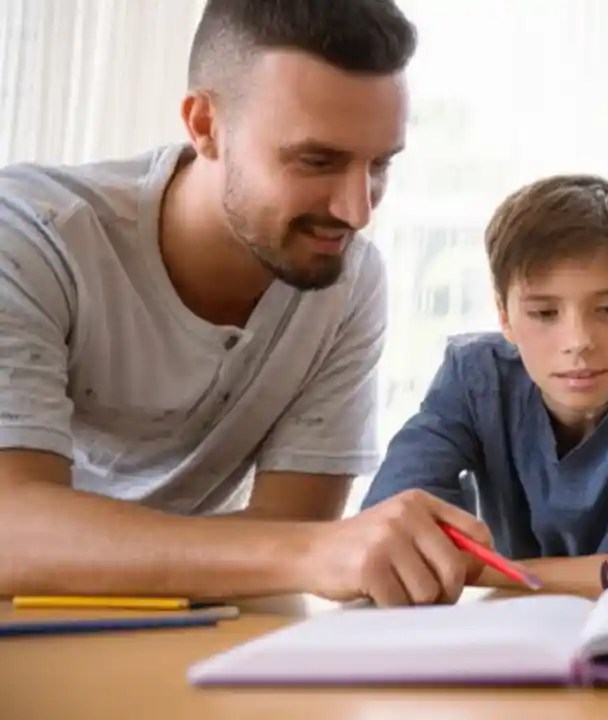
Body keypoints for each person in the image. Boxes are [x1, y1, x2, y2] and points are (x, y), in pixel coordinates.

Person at [0, 0, 491, 609]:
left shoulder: (346, 280)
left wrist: (307, 549)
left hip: (204, 623)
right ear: (205, 125)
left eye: (379, 164)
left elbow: (288, 530)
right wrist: (314, 551)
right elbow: (11, 533)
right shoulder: (29, 234)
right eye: (317, 160)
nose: (357, 211)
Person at [364, 174, 608, 596]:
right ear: (504, 316)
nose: (579, 341)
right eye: (545, 314)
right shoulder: (475, 377)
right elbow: (384, 534)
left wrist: (483, 568)